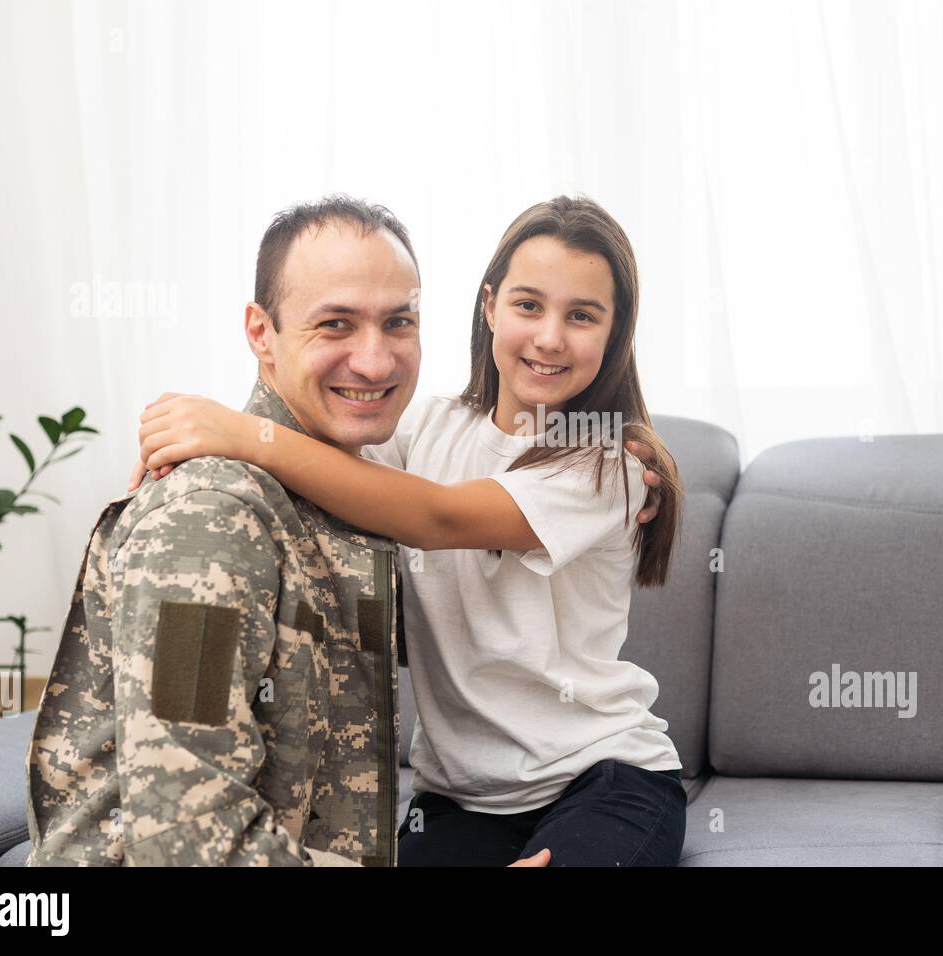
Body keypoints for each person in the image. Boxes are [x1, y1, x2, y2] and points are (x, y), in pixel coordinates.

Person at [131, 196, 688, 866]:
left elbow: (434, 517)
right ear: (489, 307)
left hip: (605, 777)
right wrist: (190, 438)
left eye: (582, 316)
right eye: (529, 305)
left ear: (616, 332)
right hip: (459, 798)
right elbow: (326, 452)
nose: (549, 337)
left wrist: (241, 433)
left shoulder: (609, 466)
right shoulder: (426, 427)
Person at [27, 196, 551, 867]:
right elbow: (191, 844)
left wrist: (621, 453)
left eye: (399, 323)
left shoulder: (355, 491)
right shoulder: (212, 520)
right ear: (260, 331)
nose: (375, 362)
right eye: (335, 324)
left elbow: (458, 505)